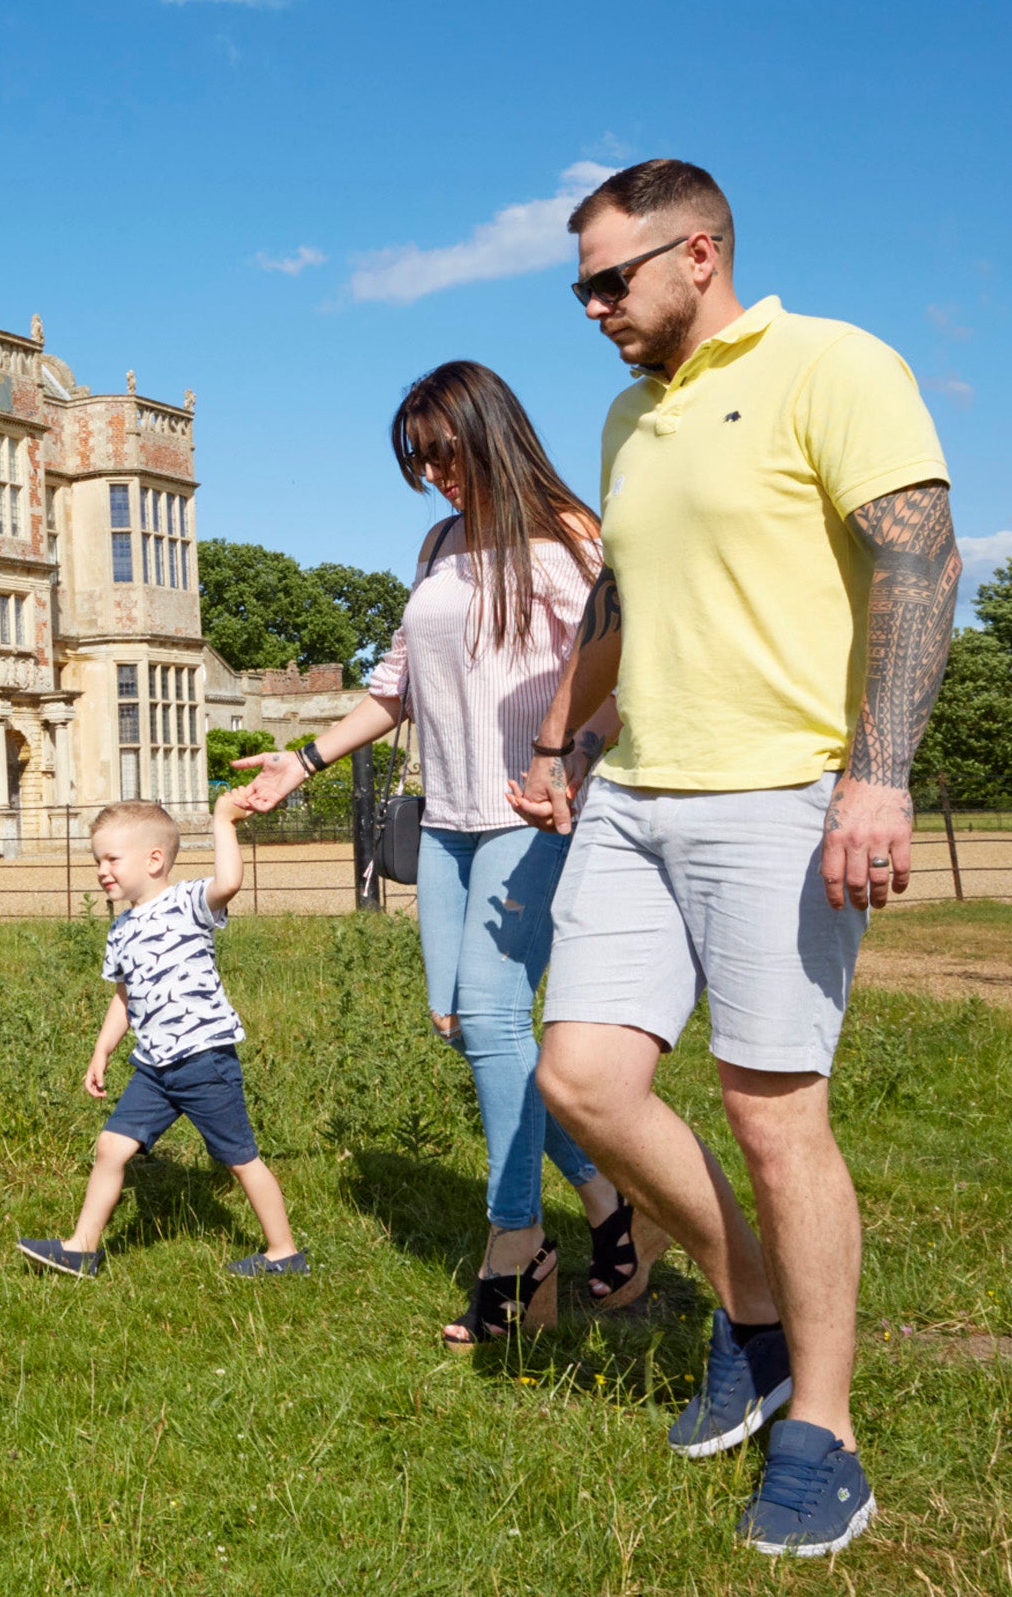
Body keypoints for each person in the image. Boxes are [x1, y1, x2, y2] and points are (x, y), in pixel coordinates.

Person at [511, 159, 957, 1558]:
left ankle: (823, 1430)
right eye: (578, 285)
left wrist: (877, 776)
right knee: (580, 1080)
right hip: (638, 792)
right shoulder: (628, 418)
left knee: (774, 1115)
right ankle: (752, 1311)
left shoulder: (832, 363)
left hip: (780, 793)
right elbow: (627, 592)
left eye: (610, 278)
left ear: (697, 253)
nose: (592, 306)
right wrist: (557, 740)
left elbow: (923, 558)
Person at [230, 360, 665, 1346]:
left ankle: (516, 1246)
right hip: (447, 825)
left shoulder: (573, 541)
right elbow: (396, 686)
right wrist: (299, 763)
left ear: (491, 433)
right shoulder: (439, 543)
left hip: (533, 817)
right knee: (463, 1025)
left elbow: (632, 671)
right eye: (419, 463)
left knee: (501, 1020)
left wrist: (573, 761)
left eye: (445, 455)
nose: (434, 477)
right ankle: (608, 1199)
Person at [16, 794, 307, 1280]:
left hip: (202, 1060)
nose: (101, 870)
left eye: (112, 859)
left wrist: (223, 820)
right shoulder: (121, 928)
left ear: (154, 860)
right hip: (152, 1067)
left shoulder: (187, 902)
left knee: (239, 1158)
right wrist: (102, 1048)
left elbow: (230, 881)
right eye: (97, 861)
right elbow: (124, 997)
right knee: (111, 1146)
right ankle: (82, 1248)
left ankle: (283, 1252)